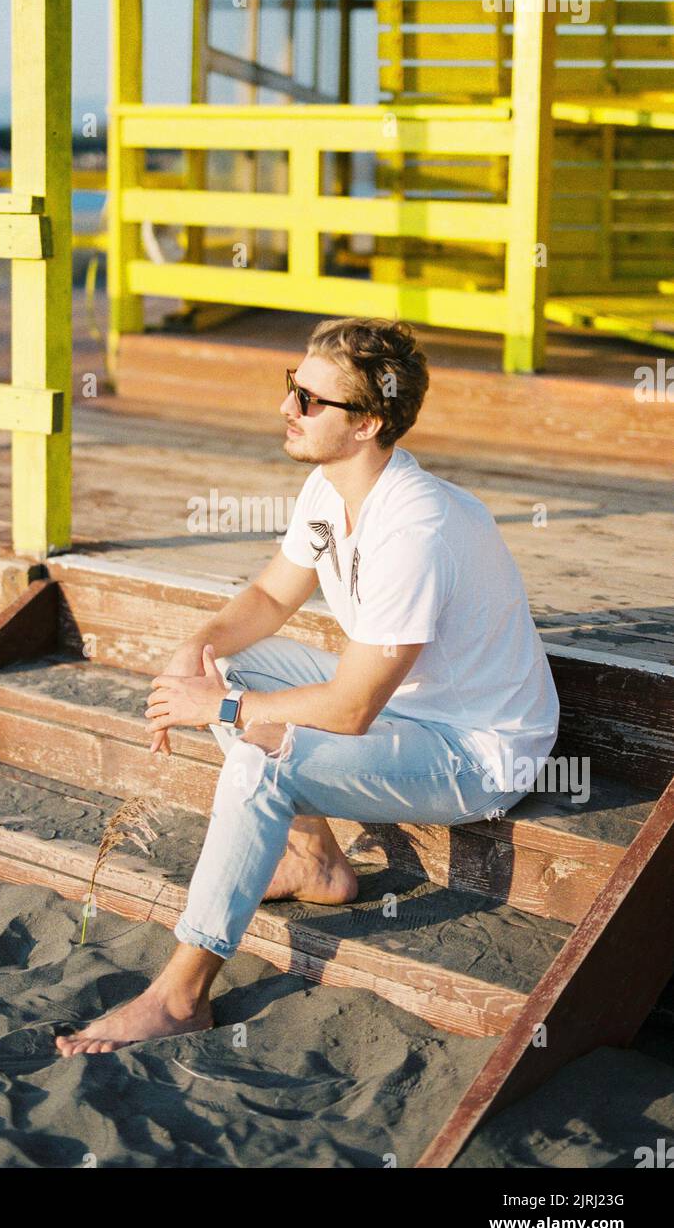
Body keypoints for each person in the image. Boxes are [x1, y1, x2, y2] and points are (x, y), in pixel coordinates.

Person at [56, 316, 559, 1057]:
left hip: (474, 750)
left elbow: (351, 708)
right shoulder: (331, 487)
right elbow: (268, 599)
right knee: (228, 667)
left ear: (368, 423)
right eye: (291, 387)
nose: (286, 409)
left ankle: (180, 996)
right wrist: (195, 652)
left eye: (310, 401)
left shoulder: (416, 527)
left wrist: (220, 709)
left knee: (264, 756)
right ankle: (314, 861)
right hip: (406, 708)